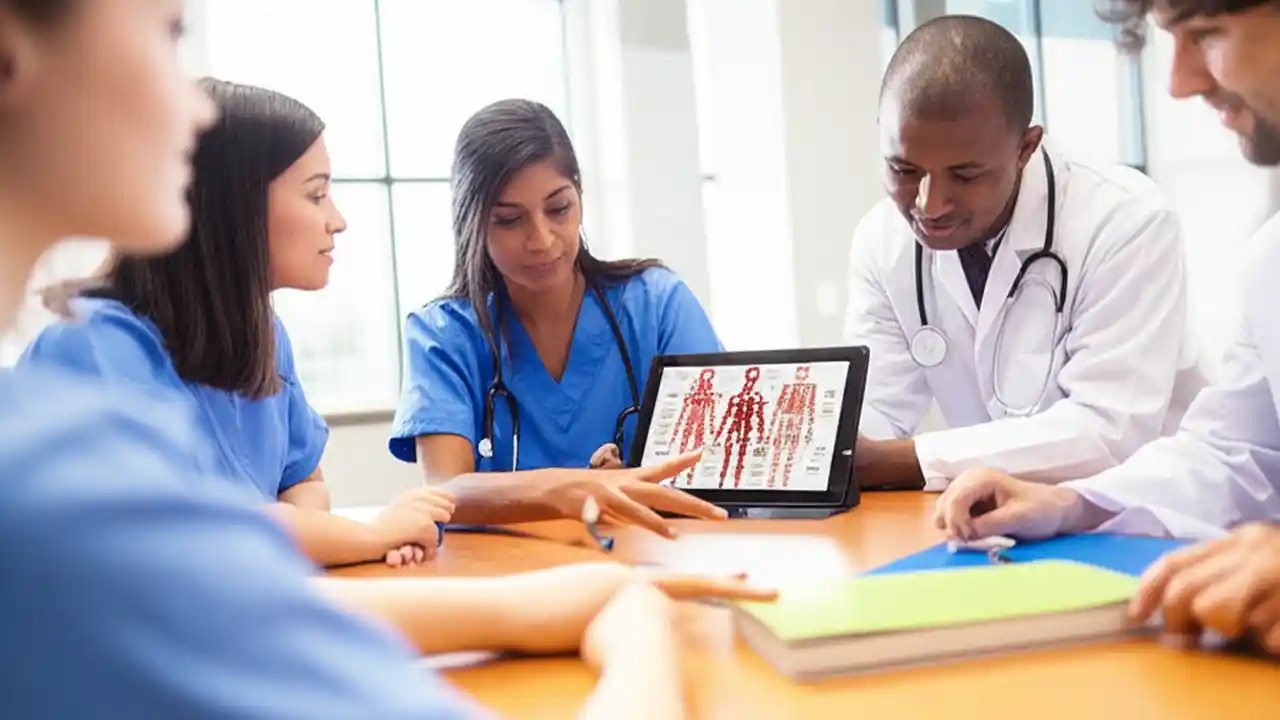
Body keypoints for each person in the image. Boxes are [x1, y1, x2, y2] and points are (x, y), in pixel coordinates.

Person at [0, 2, 772, 717]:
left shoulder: (235, 347)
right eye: (163, 35)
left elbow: (246, 555)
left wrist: (585, 598)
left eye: (559, 207)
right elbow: (208, 574)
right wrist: (630, 626)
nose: (196, 109)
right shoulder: (69, 421)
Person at [935, 0, 1280, 657]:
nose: (1178, 82)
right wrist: (1069, 503)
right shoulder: (1272, 260)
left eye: (1206, 35)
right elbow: (1239, 453)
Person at [20, 78, 448, 568]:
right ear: (232, 204)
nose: (338, 220)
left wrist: (323, 539)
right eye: (316, 195)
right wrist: (370, 536)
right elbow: (187, 534)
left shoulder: (263, 333)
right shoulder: (89, 348)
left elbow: (303, 482)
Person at [846, 15, 1202, 491]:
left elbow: (1107, 431)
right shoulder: (881, 242)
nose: (928, 204)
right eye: (904, 169)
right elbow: (874, 417)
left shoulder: (1125, 221)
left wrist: (904, 461)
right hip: (990, 512)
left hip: (1136, 513)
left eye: (966, 175)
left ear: (1025, 147)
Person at [389, 99, 728, 537]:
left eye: (559, 208)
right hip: (504, 584)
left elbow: (717, 465)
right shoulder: (444, 335)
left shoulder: (658, 305)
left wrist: (631, 477)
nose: (542, 239)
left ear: (579, 197)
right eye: (510, 220)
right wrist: (573, 488)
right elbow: (443, 491)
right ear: (471, 224)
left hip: (648, 563)